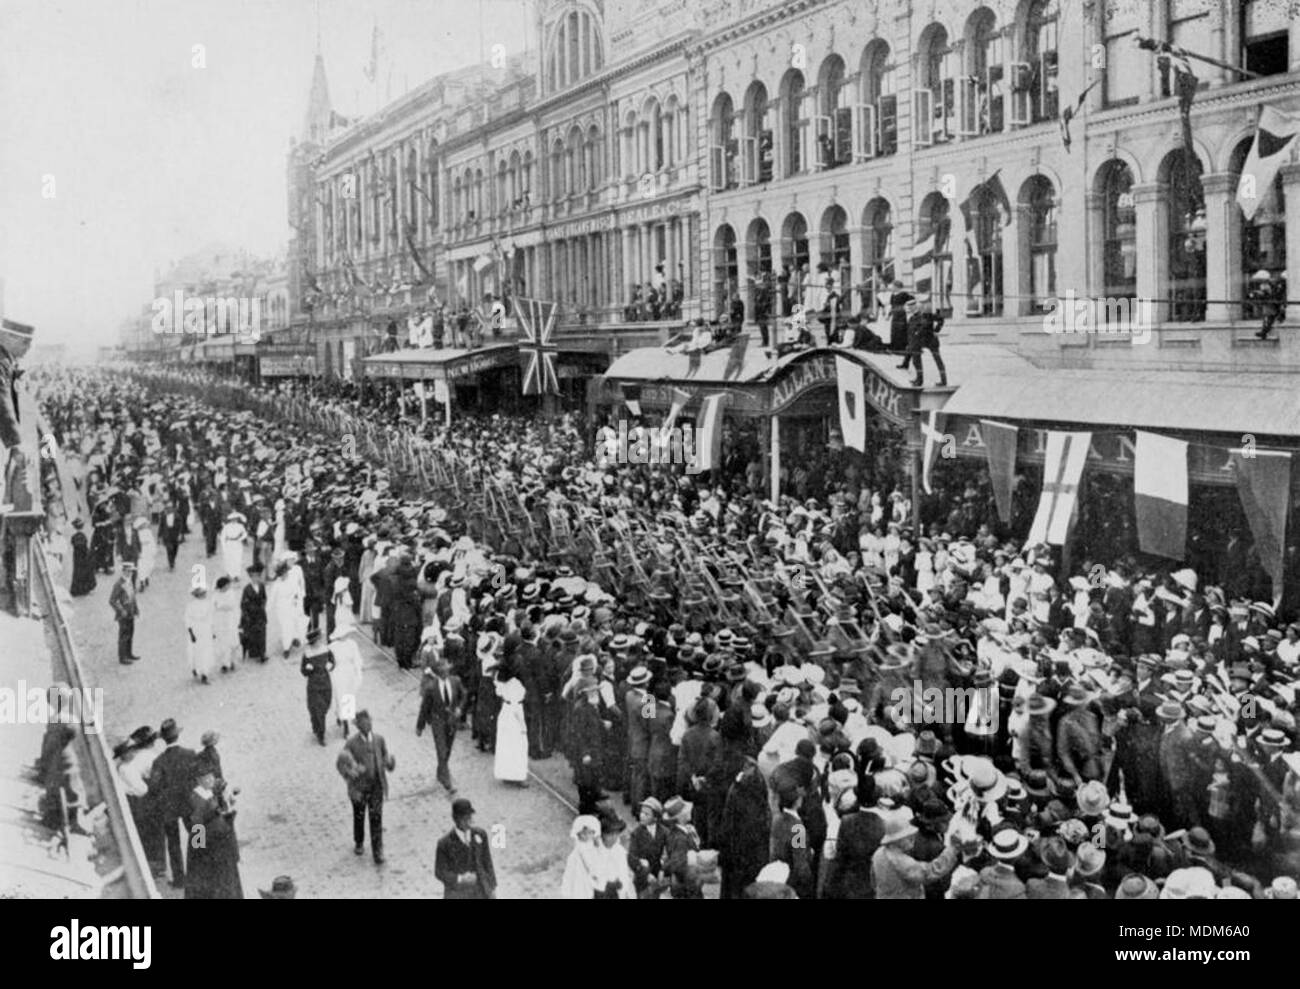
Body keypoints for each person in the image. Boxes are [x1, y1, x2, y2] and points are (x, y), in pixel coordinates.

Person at [336, 709, 395, 865]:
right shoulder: (351, 744)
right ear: (358, 726)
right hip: (359, 789)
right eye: (364, 723)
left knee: (376, 819)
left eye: (369, 721)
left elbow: (386, 759)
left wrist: (390, 762)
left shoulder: (379, 740)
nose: (368, 725)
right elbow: (341, 764)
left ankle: (378, 851)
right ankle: (359, 841)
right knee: (359, 815)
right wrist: (352, 772)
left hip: (376, 786)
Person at [147, 718, 196, 890]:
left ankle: (179, 879)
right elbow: (197, 778)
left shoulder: (159, 761)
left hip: (169, 807)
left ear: (164, 740)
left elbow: (153, 787)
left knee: (173, 843)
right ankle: (201, 871)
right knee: (198, 834)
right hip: (190, 803)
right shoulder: (190, 753)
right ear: (177, 736)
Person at [185, 767, 243, 899]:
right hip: (210, 852)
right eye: (207, 778)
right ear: (199, 780)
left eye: (212, 776)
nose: (211, 780)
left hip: (220, 847)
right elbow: (197, 831)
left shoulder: (210, 794)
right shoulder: (196, 799)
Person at [415, 652, 465, 794]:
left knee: (447, 749)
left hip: (451, 721)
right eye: (442, 672)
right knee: (441, 750)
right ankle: (447, 781)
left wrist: (460, 708)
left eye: (447, 670)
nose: (445, 673)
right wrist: (420, 726)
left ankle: (440, 771)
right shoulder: (431, 688)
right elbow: (424, 708)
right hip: (437, 721)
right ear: (438, 673)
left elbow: (463, 695)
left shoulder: (456, 681)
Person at [434, 798, 497, 899]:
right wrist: (460, 879)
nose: (469, 822)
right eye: (464, 819)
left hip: (481, 891)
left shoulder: (480, 834)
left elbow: (487, 862)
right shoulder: (444, 844)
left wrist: (492, 888)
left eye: (470, 817)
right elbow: (440, 872)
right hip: (457, 893)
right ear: (456, 819)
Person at [493, 664, 529, 785]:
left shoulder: (502, 682)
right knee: (519, 745)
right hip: (515, 714)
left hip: (504, 712)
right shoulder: (516, 684)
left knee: (505, 744)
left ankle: (506, 773)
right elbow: (516, 707)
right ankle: (519, 776)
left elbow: (498, 691)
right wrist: (523, 725)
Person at [900, 295, 946, 387]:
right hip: (919, 341)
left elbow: (940, 319)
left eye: (910, 307)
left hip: (931, 340)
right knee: (916, 360)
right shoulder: (912, 317)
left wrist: (936, 331)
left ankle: (944, 381)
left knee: (938, 360)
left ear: (915, 306)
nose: (909, 309)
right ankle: (919, 380)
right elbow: (911, 331)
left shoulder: (927, 314)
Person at [329, 621, 365, 739]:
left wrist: (358, 668)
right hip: (338, 673)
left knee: (348, 696)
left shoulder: (352, 644)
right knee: (339, 696)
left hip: (349, 673)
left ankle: (346, 723)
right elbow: (329, 662)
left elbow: (357, 658)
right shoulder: (332, 647)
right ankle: (341, 718)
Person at [300, 627, 335, 745]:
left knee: (325, 705)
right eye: (319, 639)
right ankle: (321, 734)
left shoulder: (326, 650)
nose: (321, 641)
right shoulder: (307, 654)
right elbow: (303, 671)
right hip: (314, 686)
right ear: (314, 641)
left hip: (326, 683)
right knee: (317, 709)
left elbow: (332, 661)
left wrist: (330, 666)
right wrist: (308, 669)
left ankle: (316, 724)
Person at [185, 573, 216, 684]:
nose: (203, 595)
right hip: (196, 629)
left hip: (205, 629)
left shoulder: (208, 604)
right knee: (196, 651)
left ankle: (204, 673)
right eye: (201, 593)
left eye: (203, 593)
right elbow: (188, 619)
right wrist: (191, 633)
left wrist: (213, 631)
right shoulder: (191, 605)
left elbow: (211, 618)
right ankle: (196, 668)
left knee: (206, 651)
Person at [110, 561, 140, 665]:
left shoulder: (129, 581)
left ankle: (129, 653)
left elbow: (132, 597)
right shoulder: (119, 584)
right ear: (123, 571)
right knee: (123, 635)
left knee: (130, 633)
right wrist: (121, 610)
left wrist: (136, 609)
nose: (130, 573)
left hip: (130, 612)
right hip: (123, 615)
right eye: (128, 571)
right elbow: (112, 600)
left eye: (131, 572)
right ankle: (122, 657)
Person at [239, 563, 268, 662]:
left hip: (260, 614)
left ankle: (262, 653)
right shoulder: (247, 589)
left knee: (262, 633)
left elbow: (264, 597)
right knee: (253, 634)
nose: (256, 578)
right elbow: (243, 604)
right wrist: (247, 614)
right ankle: (253, 652)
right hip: (251, 616)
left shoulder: (262, 586)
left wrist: (263, 606)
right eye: (253, 577)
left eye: (257, 576)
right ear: (250, 577)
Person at [69, 518, 96, 596]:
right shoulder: (83, 536)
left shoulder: (74, 536)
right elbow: (85, 546)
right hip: (84, 555)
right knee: (85, 571)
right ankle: (85, 588)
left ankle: (77, 589)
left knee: (77, 571)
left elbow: (73, 544)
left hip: (77, 556)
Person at [134, 516, 157, 591]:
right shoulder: (136, 534)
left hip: (148, 550)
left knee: (149, 566)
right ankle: (141, 582)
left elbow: (152, 541)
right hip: (141, 551)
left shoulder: (148, 532)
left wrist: (153, 550)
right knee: (141, 567)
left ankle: (147, 577)